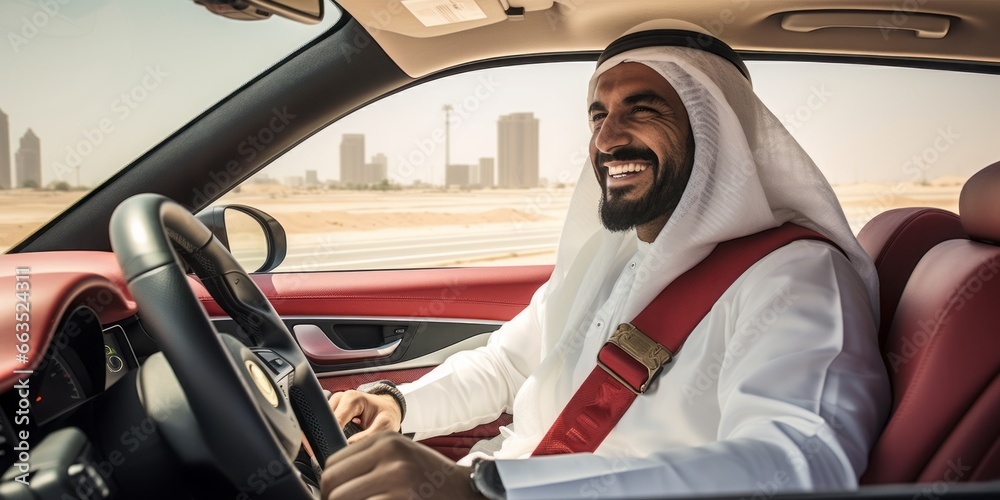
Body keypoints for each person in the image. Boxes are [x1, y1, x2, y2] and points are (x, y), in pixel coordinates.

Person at [320, 23, 891, 499]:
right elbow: (509, 366)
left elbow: (797, 465)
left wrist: (485, 489)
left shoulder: (797, 278)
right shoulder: (610, 255)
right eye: (598, 115)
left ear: (716, 132)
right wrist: (396, 404)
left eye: (642, 110)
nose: (607, 139)